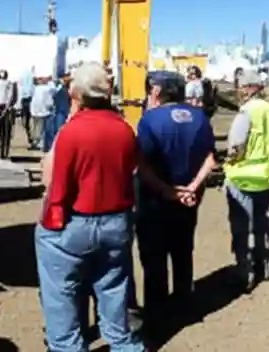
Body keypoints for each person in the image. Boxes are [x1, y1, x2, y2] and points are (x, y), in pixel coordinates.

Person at [35, 62, 147, 352]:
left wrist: (51, 219)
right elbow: (132, 169)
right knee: (114, 293)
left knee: (61, 297)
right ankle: (125, 346)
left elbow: (57, 187)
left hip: (75, 221)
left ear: (76, 93)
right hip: (115, 221)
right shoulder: (124, 129)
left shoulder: (72, 132)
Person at [136, 71, 217, 319]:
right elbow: (210, 159)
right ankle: (184, 302)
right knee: (183, 251)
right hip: (189, 200)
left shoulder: (149, 121)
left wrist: (167, 191)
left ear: (156, 92)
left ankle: (158, 311)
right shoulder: (200, 118)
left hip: (155, 201)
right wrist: (193, 186)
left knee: (154, 258)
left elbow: (142, 165)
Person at [222, 69, 269, 291]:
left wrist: (228, 159)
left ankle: (245, 272)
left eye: (241, 87)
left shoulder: (246, 112)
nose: (238, 91)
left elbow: (237, 145)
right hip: (264, 176)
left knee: (241, 227)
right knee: (263, 224)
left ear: (249, 88)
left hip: (242, 176)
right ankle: (266, 265)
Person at [29, 76, 55, 151]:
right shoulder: (47, 88)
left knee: (36, 128)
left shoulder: (36, 88)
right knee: (44, 129)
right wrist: (50, 80)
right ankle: (41, 145)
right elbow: (53, 91)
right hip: (44, 111)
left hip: (36, 111)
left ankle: (36, 143)